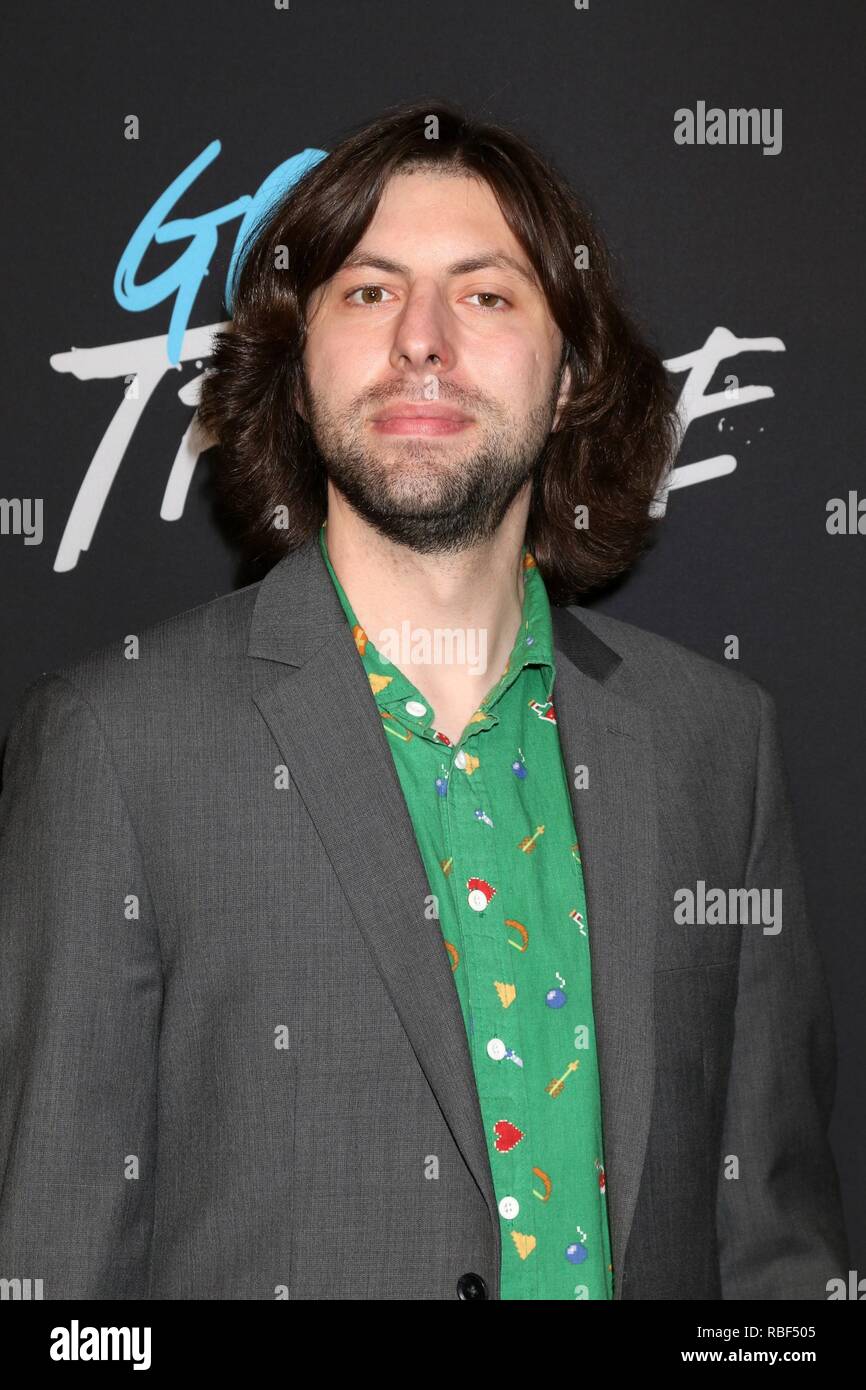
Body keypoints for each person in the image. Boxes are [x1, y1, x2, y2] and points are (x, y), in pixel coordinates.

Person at [0, 100, 849, 1300]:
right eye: (366, 291)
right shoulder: (114, 744)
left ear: (567, 379)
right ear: (296, 373)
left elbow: (772, 1251)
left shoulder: (716, 743)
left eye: (487, 294)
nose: (423, 341)